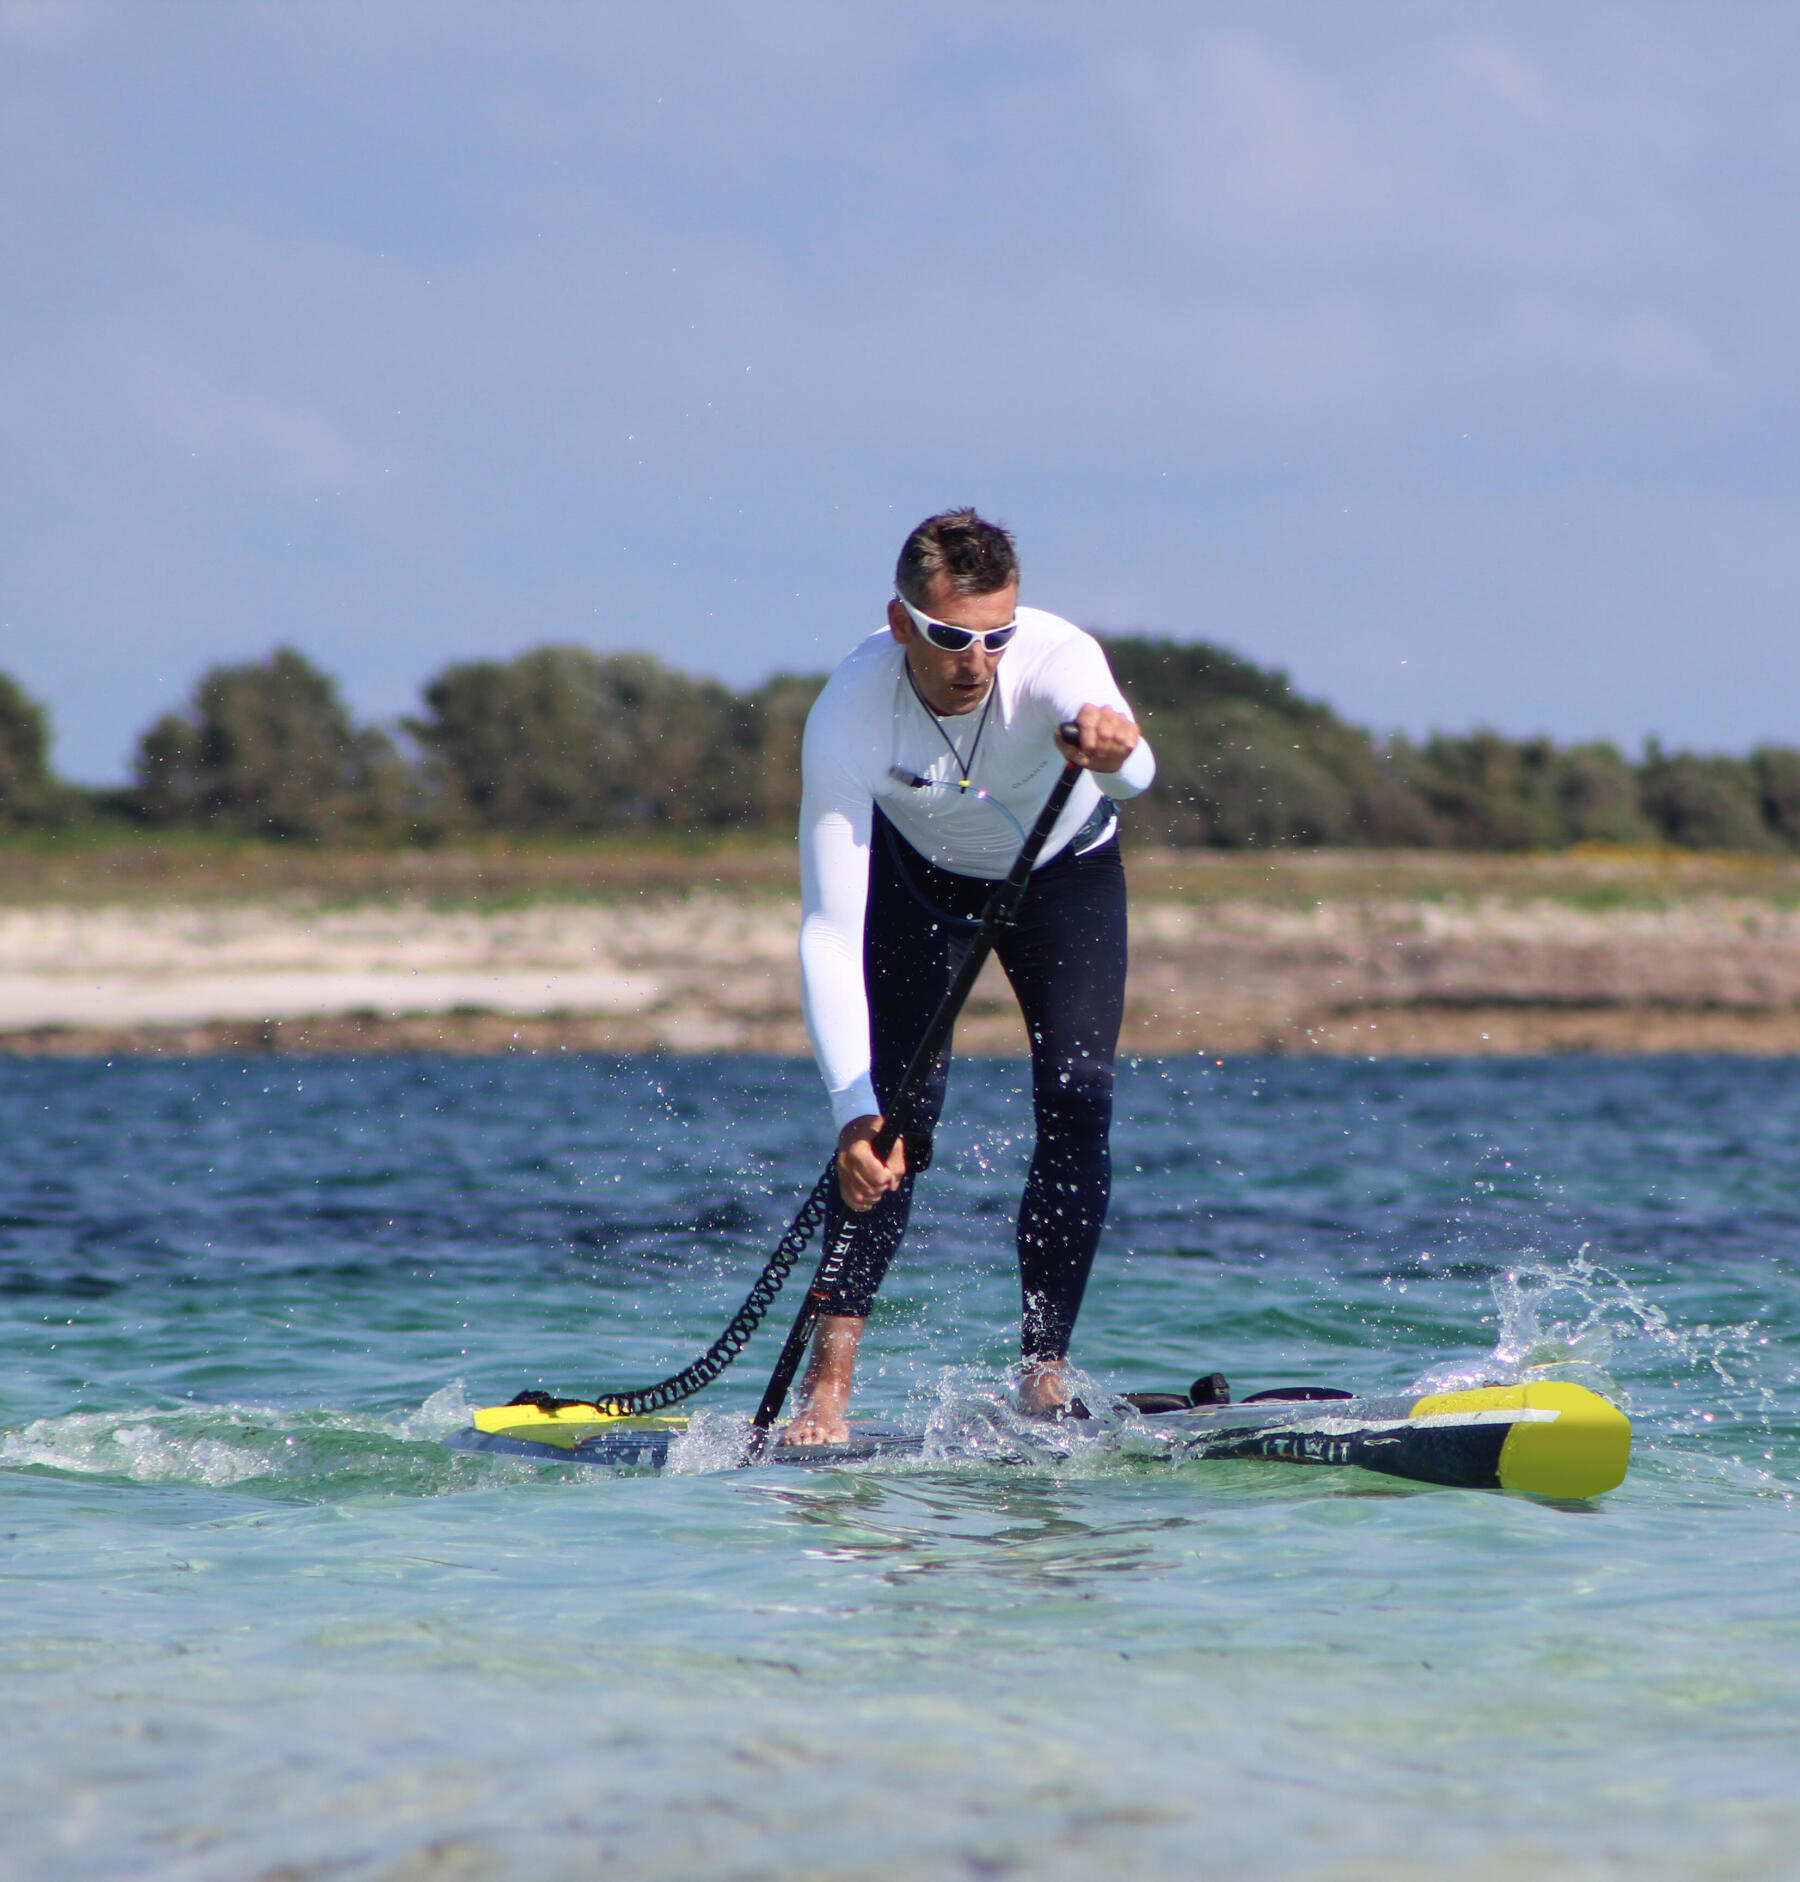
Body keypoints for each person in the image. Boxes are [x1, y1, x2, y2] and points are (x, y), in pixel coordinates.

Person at [786, 509, 1155, 1444]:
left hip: (1061, 871)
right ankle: (826, 1393)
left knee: (1077, 1093)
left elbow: (1139, 773)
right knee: (893, 1129)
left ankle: (1043, 1371)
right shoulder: (848, 713)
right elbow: (828, 927)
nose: (977, 660)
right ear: (903, 622)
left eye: (995, 636)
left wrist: (1115, 754)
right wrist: (850, 1108)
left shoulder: (1057, 660)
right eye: (952, 637)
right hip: (920, 883)